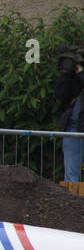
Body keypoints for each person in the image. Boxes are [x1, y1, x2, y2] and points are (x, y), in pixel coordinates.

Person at [56, 44, 84, 182]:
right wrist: (67, 74)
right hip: (73, 128)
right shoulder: (72, 79)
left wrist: (81, 74)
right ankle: (73, 202)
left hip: (79, 127)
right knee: (71, 176)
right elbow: (61, 95)